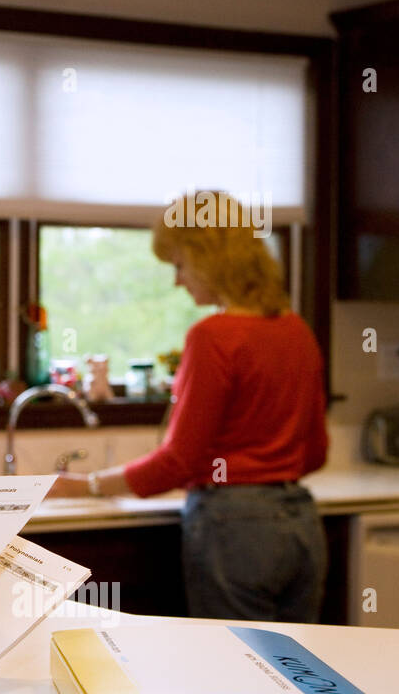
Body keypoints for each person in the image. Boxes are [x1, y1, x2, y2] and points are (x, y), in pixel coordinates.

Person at [47, 192, 329, 623]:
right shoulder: (297, 330)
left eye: (179, 264)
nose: (177, 281)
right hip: (302, 527)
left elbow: (180, 461)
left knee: (236, 672)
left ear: (209, 260)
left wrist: (86, 486)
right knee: (294, 673)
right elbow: (315, 453)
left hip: (234, 529)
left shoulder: (213, 335)